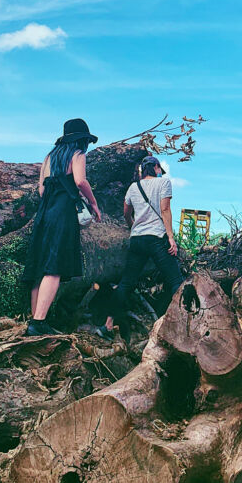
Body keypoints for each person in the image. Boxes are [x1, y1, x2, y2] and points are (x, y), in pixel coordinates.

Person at [23, 118, 102, 336]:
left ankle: (34, 319)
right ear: (81, 140)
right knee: (54, 268)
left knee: (41, 266)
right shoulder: (78, 155)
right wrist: (93, 203)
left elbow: (41, 190)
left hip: (44, 214)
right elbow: (80, 181)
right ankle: (39, 322)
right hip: (62, 214)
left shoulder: (49, 157)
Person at [97, 155, 183, 342]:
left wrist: (132, 225)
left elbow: (126, 211)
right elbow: (165, 209)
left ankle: (107, 324)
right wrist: (170, 237)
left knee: (127, 283)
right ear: (156, 167)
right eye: (160, 169)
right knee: (176, 280)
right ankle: (183, 325)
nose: (161, 172)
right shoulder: (164, 183)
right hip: (157, 238)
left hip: (137, 239)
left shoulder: (133, 187)